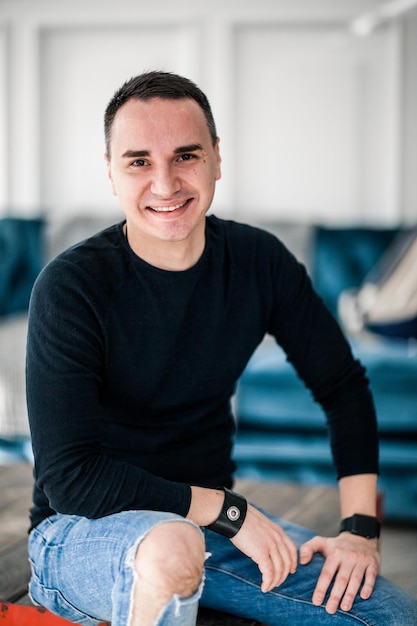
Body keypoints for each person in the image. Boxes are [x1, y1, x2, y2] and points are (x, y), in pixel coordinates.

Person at [26, 70, 417, 626]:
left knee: (392, 616)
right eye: (139, 161)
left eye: (185, 155)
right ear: (111, 173)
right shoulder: (72, 286)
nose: (165, 184)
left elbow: (343, 387)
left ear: (215, 158)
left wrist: (360, 531)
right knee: (171, 549)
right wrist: (230, 510)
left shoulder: (259, 262)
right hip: (80, 534)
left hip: (211, 532)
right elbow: (71, 478)